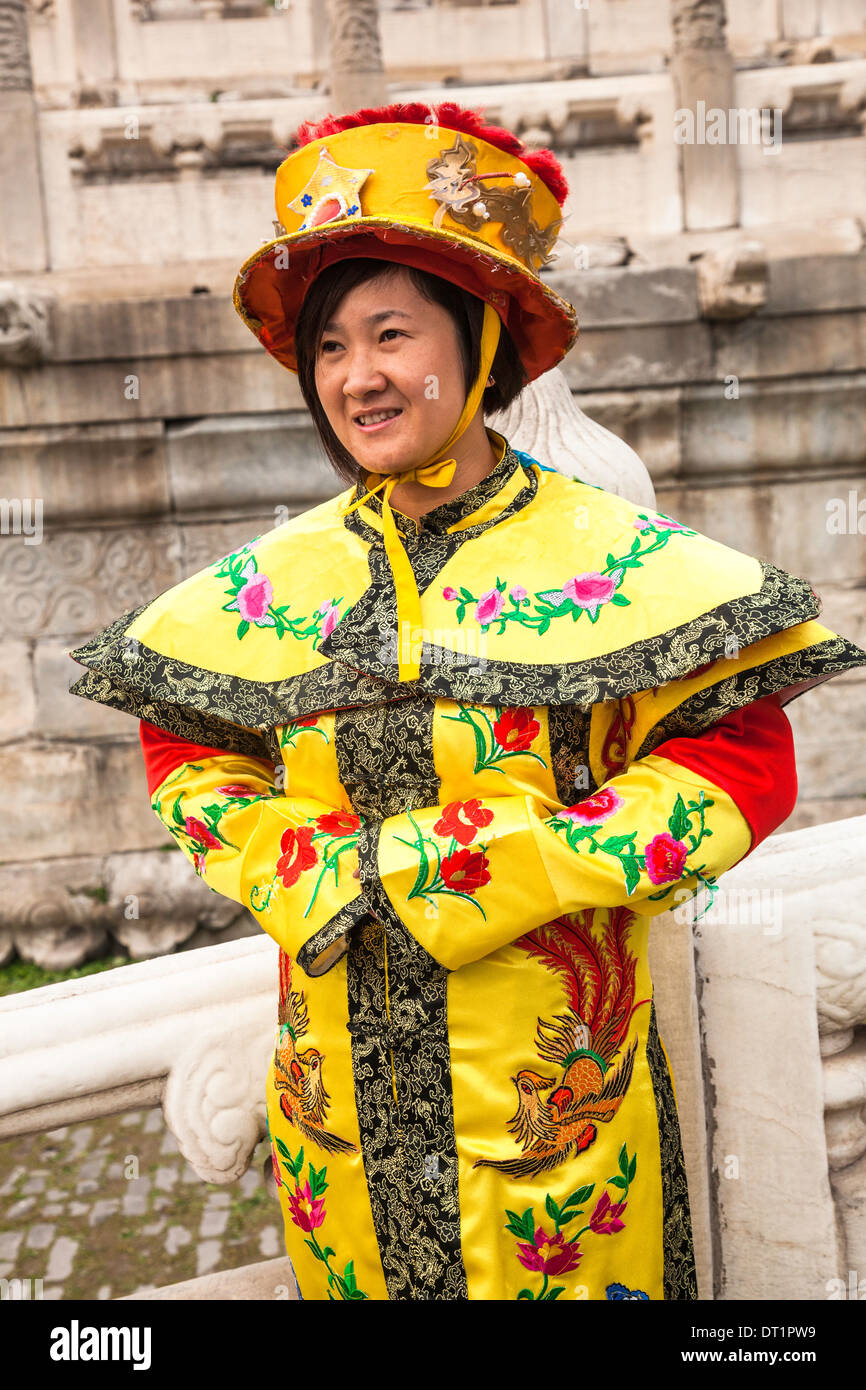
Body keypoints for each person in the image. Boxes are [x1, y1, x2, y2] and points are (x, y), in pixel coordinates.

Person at [68, 101, 866, 1302]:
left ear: (480, 339)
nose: (357, 377)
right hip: (337, 1115)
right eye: (329, 348)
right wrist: (305, 865)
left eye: (391, 334)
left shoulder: (610, 557)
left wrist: (501, 862)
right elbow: (187, 751)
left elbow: (738, 762)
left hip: (554, 1109)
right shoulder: (274, 580)